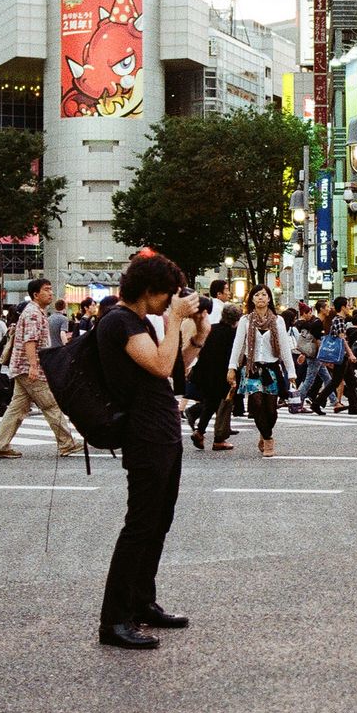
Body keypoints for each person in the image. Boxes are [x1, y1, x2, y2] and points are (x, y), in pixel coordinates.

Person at [95, 253, 200, 650]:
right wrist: (174, 320)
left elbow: (172, 366)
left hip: (162, 431)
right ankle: (114, 620)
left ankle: (141, 602)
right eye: (167, 294)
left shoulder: (139, 323)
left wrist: (198, 335)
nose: (170, 301)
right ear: (148, 290)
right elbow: (159, 366)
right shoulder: (118, 321)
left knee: (159, 522)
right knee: (140, 525)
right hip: (144, 434)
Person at [0, 279, 82, 460]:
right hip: (30, 368)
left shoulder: (35, 312)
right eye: (46, 290)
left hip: (23, 367)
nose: (50, 293)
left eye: (51, 289)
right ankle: (67, 443)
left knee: (17, 408)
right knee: (50, 405)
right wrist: (33, 365)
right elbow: (30, 341)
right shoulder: (33, 313)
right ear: (35, 294)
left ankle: (0, 445)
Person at [226, 287, 296, 458]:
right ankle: (268, 439)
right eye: (256, 295)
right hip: (252, 369)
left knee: (271, 410)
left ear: (269, 299)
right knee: (256, 404)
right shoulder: (245, 320)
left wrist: (291, 372)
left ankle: (263, 433)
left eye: (264, 294)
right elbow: (237, 345)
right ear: (252, 299)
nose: (260, 298)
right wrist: (232, 367)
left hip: (272, 369)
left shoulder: (278, 320)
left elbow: (285, 348)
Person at [189, 304, 240, 451]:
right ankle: (218, 439)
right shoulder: (233, 334)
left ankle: (200, 431)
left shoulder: (211, 328)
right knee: (223, 405)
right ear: (236, 319)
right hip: (223, 374)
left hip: (205, 371)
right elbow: (234, 355)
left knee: (211, 402)